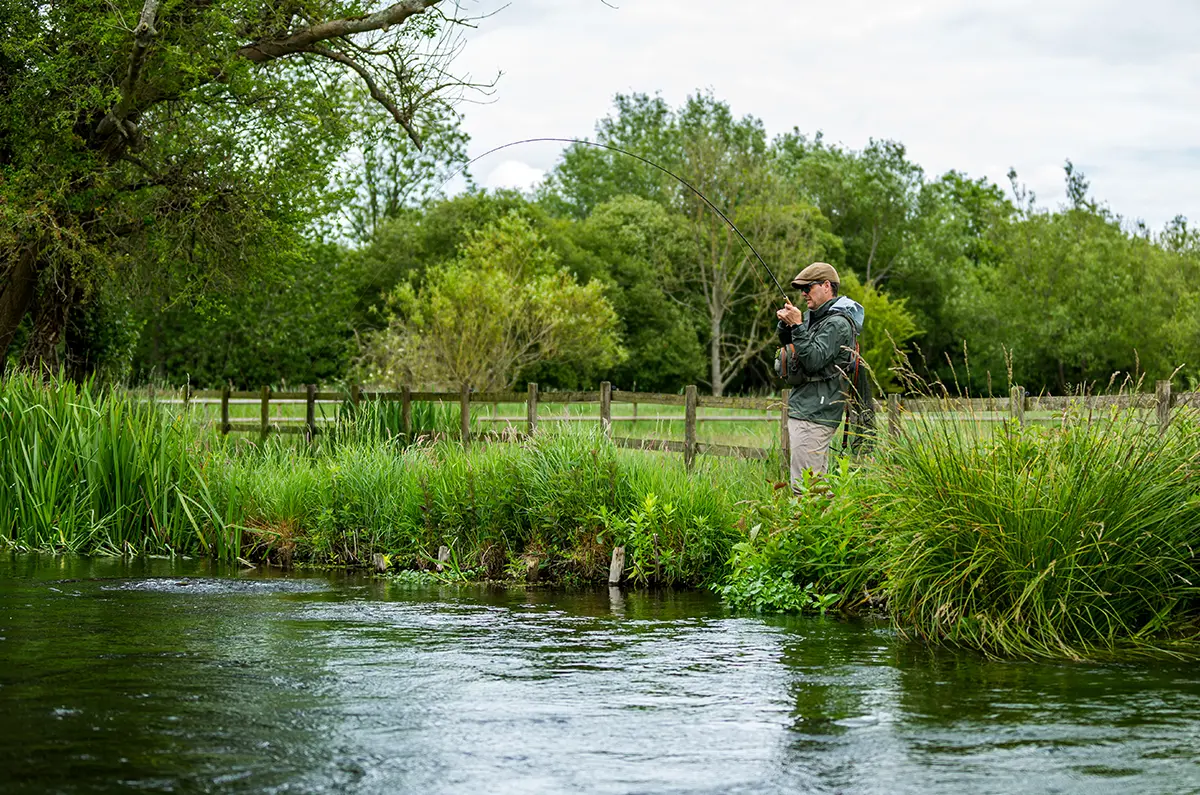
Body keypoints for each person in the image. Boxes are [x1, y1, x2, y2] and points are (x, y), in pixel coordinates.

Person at [774, 262, 864, 494]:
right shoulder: (814, 318)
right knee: (816, 487)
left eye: (808, 288)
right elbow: (793, 347)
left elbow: (813, 360)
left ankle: (813, 518)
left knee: (804, 488)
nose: (803, 294)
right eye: (801, 290)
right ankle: (829, 518)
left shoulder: (837, 324)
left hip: (815, 412)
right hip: (807, 407)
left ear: (826, 286)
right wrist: (786, 326)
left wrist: (797, 325)